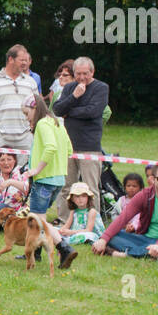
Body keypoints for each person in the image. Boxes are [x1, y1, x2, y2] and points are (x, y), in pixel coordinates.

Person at [52, 57, 109, 220]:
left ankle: (94, 223)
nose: (82, 77)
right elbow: (57, 109)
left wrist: (70, 112)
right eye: (78, 74)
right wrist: (74, 97)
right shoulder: (70, 87)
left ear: (92, 72)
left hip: (90, 146)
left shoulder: (101, 88)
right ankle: (63, 220)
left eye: (85, 73)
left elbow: (93, 112)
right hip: (68, 145)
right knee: (65, 187)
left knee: (91, 188)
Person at [93, 165, 158, 259]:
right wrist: (103, 239)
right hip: (143, 238)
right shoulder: (144, 195)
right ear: (153, 179)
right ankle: (150, 255)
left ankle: (120, 254)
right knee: (111, 236)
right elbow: (123, 217)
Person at [0, 44, 39, 166]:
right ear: (10, 59)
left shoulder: (31, 82)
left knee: (24, 178)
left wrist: (31, 130)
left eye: (26, 60)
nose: (25, 63)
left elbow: (37, 108)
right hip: (0, 138)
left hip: (25, 139)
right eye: (21, 60)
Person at [20, 94, 72, 219]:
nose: (27, 118)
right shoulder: (56, 123)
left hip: (44, 179)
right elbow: (69, 150)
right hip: (59, 180)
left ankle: (57, 239)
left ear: (35, 108)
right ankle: (56, 238)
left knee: (37, 218)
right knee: (38, 218)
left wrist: (36, 169)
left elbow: (51, 147)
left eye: (27, 114)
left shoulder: (42, 124)